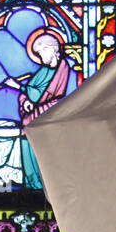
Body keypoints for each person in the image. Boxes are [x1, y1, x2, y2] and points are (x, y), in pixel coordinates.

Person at [17, 29, 72, 189]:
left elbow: (41, 94)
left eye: (42, 52)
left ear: (52, 49)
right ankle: (32, 183)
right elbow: (30, 92)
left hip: (50, 116)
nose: (40, 57)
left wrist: (18, 86)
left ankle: (45, 185)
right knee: (26, 144)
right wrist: (25, 101)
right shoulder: (43, 70)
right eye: (38, 54)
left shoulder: (62, 68)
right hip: (32, 119)